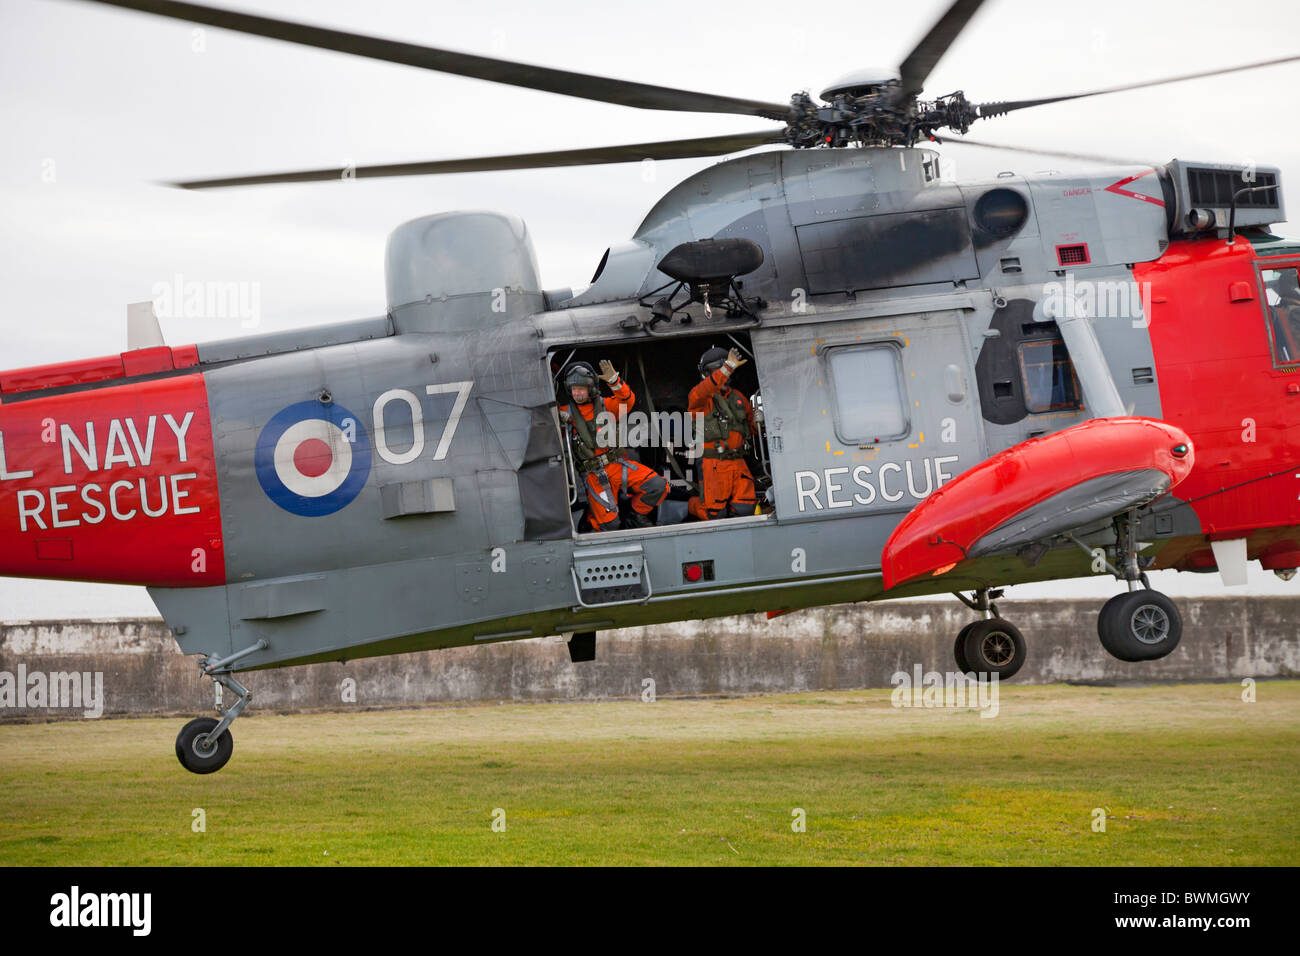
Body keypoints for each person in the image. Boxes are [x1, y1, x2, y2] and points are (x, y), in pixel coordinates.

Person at [560, 359, 668, 532]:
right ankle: (592, 518)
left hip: (617, 466)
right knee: (610, 526)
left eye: (581, 389)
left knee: (657, 486)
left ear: (591, 388)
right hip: (593, 476)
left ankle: (635, 516)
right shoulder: (565, 414)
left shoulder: (607, 406)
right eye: (573, 389)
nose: (577, 393)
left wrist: (614, 381)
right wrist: (558, 419)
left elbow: (628, 400)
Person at [687, 346, 758, 520]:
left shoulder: (739, 398)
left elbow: (752, 430)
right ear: (706, 374)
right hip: (713, 464)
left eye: (726, 370)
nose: (724, 375)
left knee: (746, 509)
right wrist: (726, 368)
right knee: (714, 514)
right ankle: (689, 506)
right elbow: (704, 390)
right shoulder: (699, 398)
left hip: (738, 462)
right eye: (715, 371)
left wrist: (760, 421)